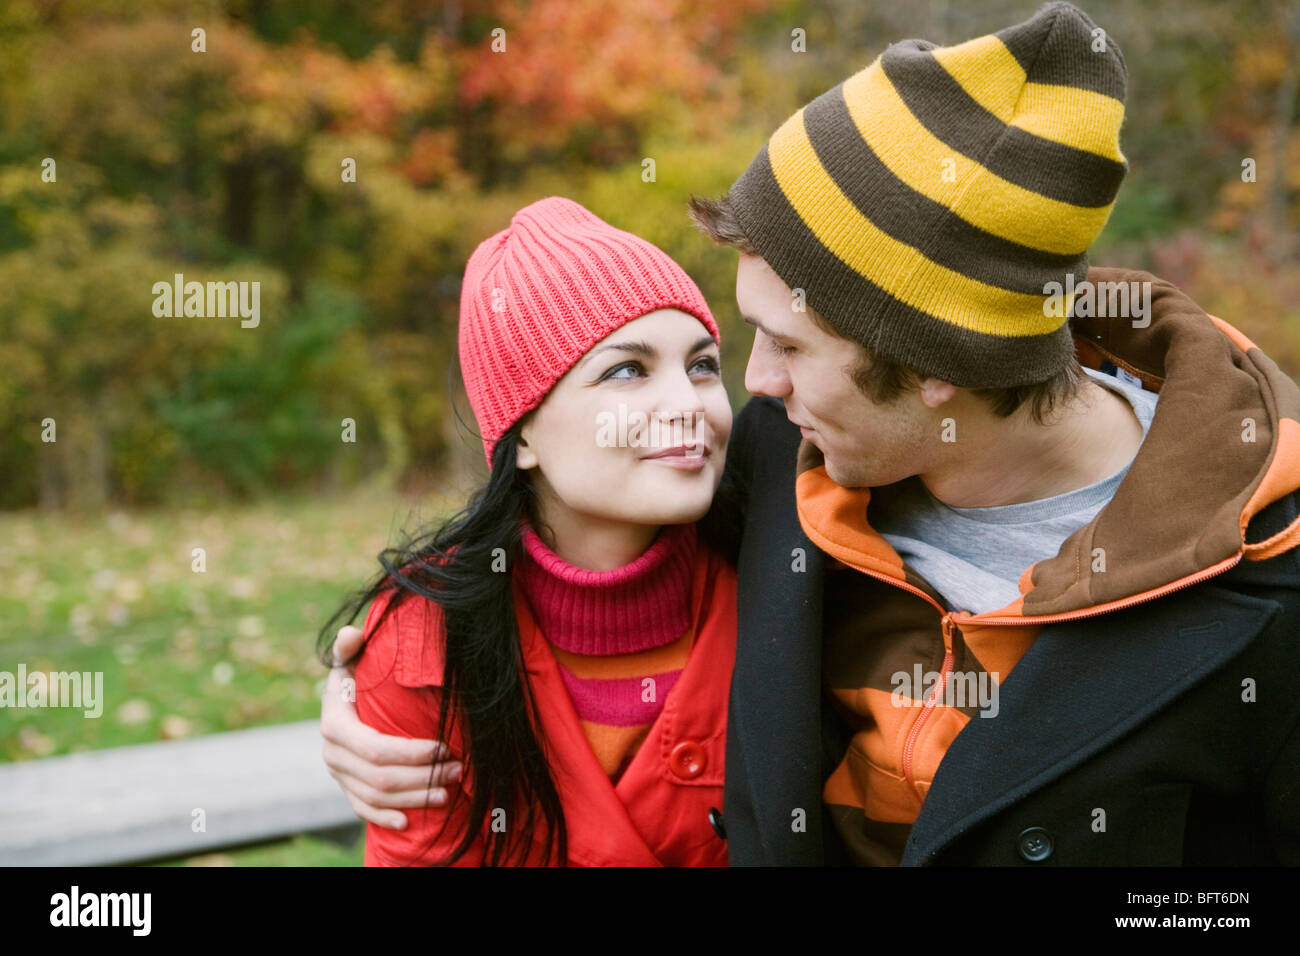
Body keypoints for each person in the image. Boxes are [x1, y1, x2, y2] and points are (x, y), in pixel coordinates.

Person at [322, 2, 1300, 865]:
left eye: (787, 343)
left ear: (934, 366)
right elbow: (551, 533)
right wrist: (361, 697)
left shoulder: (1261, 579)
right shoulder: (773, 460)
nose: (752, 384)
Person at [319, 196, 739, 865]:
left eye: (702, 365)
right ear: (522, 437)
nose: (689, 406)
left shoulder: (784, 577)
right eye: (627, 371)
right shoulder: (422, 642)